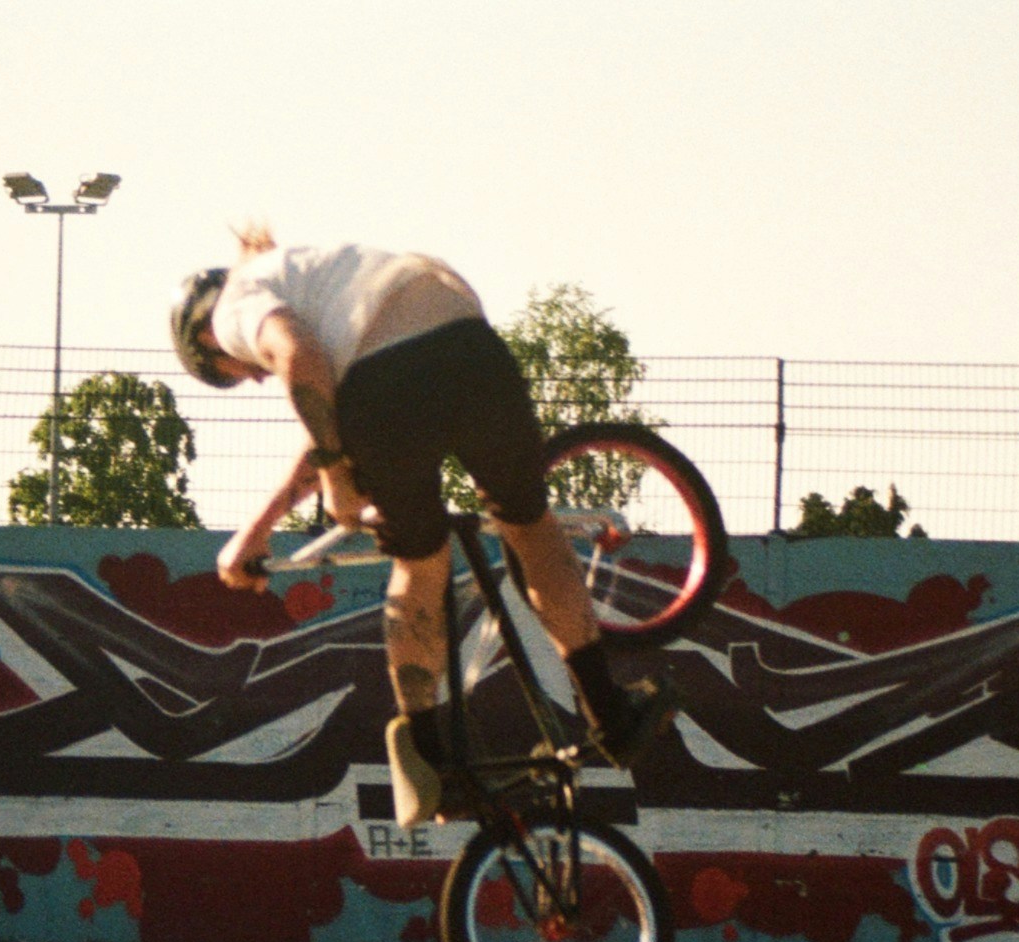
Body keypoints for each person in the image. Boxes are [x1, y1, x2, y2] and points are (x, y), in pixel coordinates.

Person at [169, 230, 676, 826]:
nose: (250, 378)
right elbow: (322, 396)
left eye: (231, 374)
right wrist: (260, 525)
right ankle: (610, 717)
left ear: (205, 339)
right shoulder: (310, 275)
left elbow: (296, 359)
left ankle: (437, 763)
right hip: (473, 352)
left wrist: (335, 473)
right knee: (530, 527)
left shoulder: (232, 305)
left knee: (420, 560)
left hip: (389, 388)